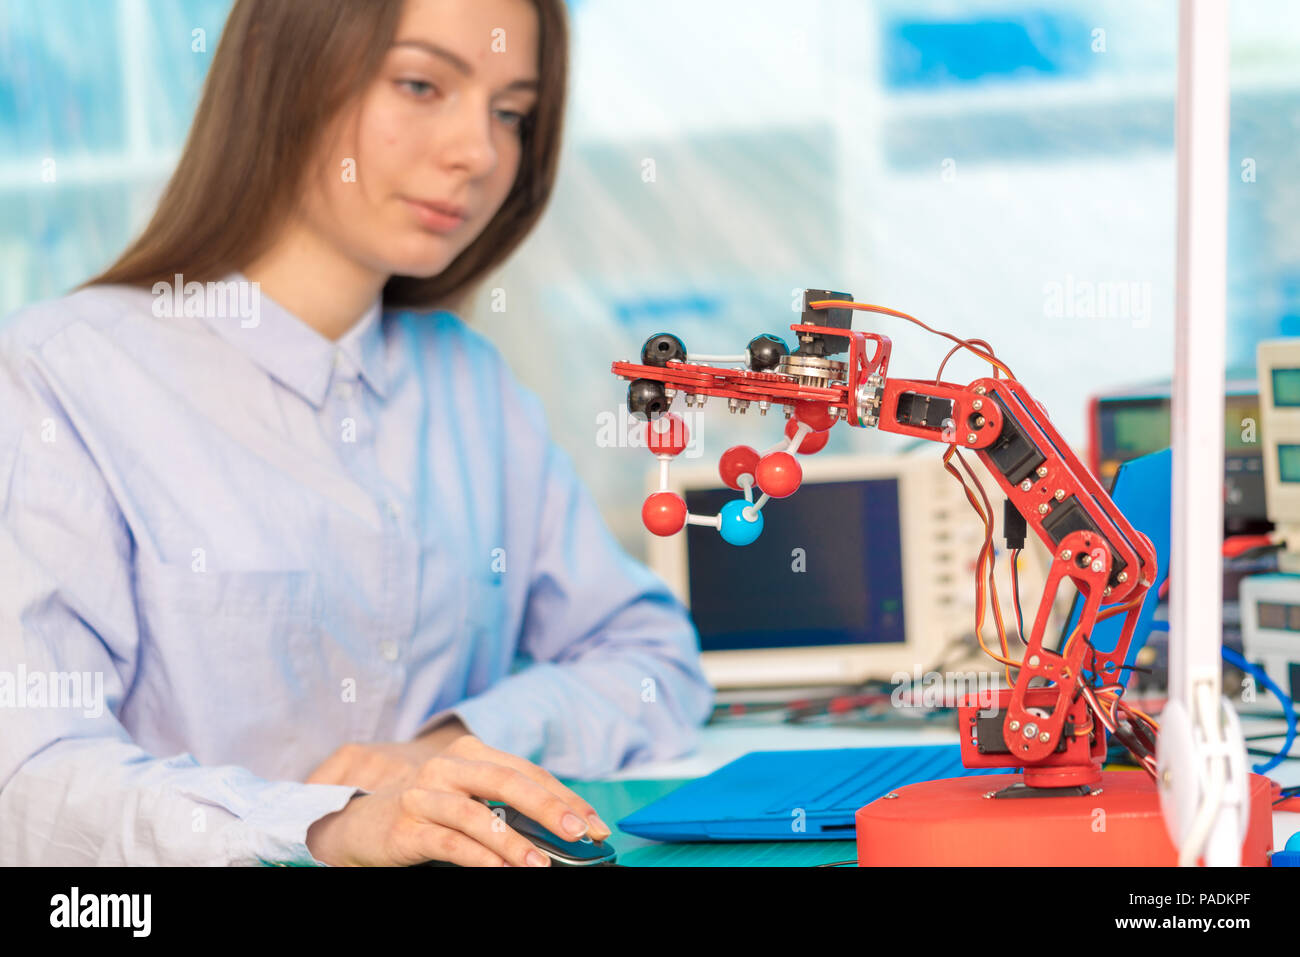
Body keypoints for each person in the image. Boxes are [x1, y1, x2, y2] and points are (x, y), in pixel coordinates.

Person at [0, 0, 712, 867]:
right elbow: (29, 778)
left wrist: (450, 748)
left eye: (510, 113)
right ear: (283, 73)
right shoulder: (57, 376)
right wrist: (327, 823)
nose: (478, 153)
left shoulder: (469, 383)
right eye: (421, 83)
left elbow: (651, 659)